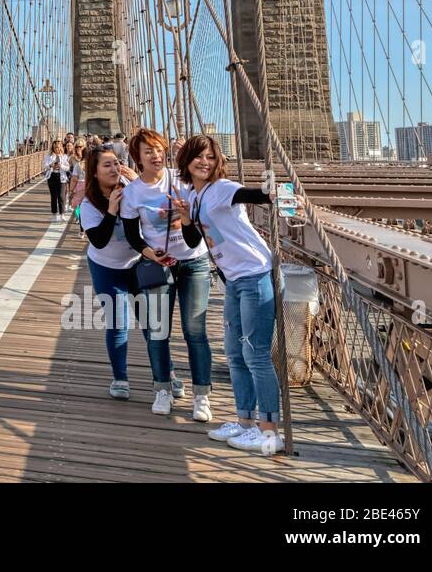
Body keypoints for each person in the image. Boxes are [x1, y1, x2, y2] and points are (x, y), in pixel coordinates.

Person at [175, 134, 285, 455]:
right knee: (235, 355)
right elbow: (195, 240)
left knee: (256, 354)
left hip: (255, 275)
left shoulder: (221, 188)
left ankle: (269, 432)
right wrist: (185, 219)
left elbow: (255, 195)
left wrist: (275, 189)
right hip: (234, 281)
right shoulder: (196, 197)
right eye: (198, 156)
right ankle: (245, 422)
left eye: (210, 156)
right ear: (187, 161)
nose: (204, 162)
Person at [120, 128, 212, 422]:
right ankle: (162, 389)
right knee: (158, 331)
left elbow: (212, 185)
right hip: (160, 266)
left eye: (159, 149)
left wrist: (190, 154)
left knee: (195, 331)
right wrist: (150, 253)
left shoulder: (182, 179)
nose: (156, 155)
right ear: (138, 157)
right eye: (148, 151)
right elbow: (134, 236)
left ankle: (201, 396)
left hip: (194, 263)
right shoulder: (132, 193)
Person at [77, 144, 152, 400]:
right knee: (119, 323)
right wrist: (111, 210)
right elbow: (98, 240)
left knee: (152, 321)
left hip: (138, 265)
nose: (114, 168)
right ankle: (120, 378)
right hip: (106, 268)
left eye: (116, 163)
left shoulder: (132, 190)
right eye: (106, 164)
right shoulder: (89, 203)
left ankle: (166, 373)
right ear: (94, 172)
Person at [43, 140, 69, 216]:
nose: (57, 149)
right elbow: (44, 166)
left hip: (61, 177)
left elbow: (67, 168)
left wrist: (61, 166)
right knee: (53, 196)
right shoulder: (48, 157)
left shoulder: (65, 156)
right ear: (53, 148)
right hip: (52, 176)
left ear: (61, 147)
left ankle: (62, 214)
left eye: (58, 147)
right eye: (55, 147)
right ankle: (54, 213)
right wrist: (51, 165)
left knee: (61, 196)